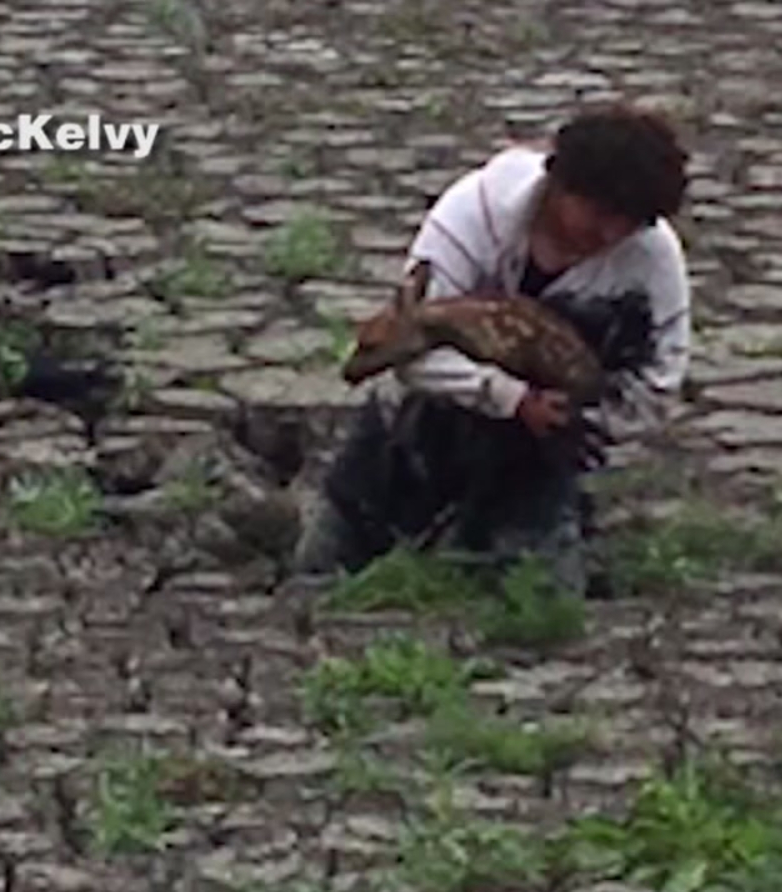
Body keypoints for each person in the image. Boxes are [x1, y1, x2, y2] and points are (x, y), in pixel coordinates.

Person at [291, 102, 692, 599]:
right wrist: (511, 399)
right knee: (328, 562)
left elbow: (659, 382)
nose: (611, 235)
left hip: (548, 443)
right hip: (427, 416)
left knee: (536, 594)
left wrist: (572, 420)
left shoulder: (652, 259)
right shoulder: (475, 211)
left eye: (629, 223)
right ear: (559, 183)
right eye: (600, 214)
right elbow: (414, 348)